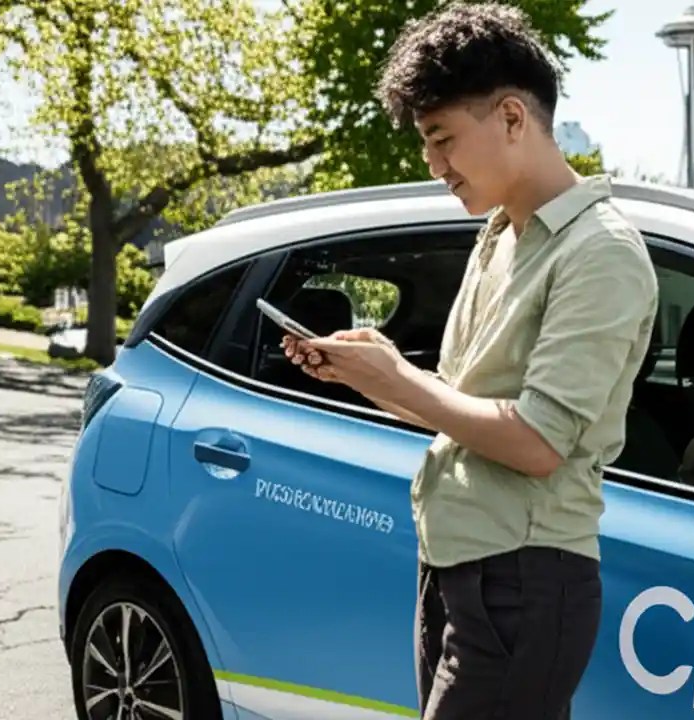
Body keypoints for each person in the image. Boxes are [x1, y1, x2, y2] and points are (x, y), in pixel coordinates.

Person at [282, 4, 658, 718]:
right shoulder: (498, 236)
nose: (434, 165)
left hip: (526, 579)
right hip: (458, 568)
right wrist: (374, 375)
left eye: (442, 138)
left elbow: (539, 443)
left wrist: (402, 382)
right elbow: (463, 409)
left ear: (513, 118)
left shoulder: (600, 251)